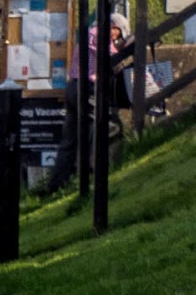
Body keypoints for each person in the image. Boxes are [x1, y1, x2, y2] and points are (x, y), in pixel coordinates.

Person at [43, 12, 130, 193]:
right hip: (88, 89)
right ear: (113, 27)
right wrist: (124, 50)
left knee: (69, 140)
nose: (117, 38)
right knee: (107, 125)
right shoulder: (99, 34)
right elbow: (111, 58)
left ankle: (57, 183)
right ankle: (93, 171)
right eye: (118, 33)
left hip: (73, 87)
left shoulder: (87, 35)